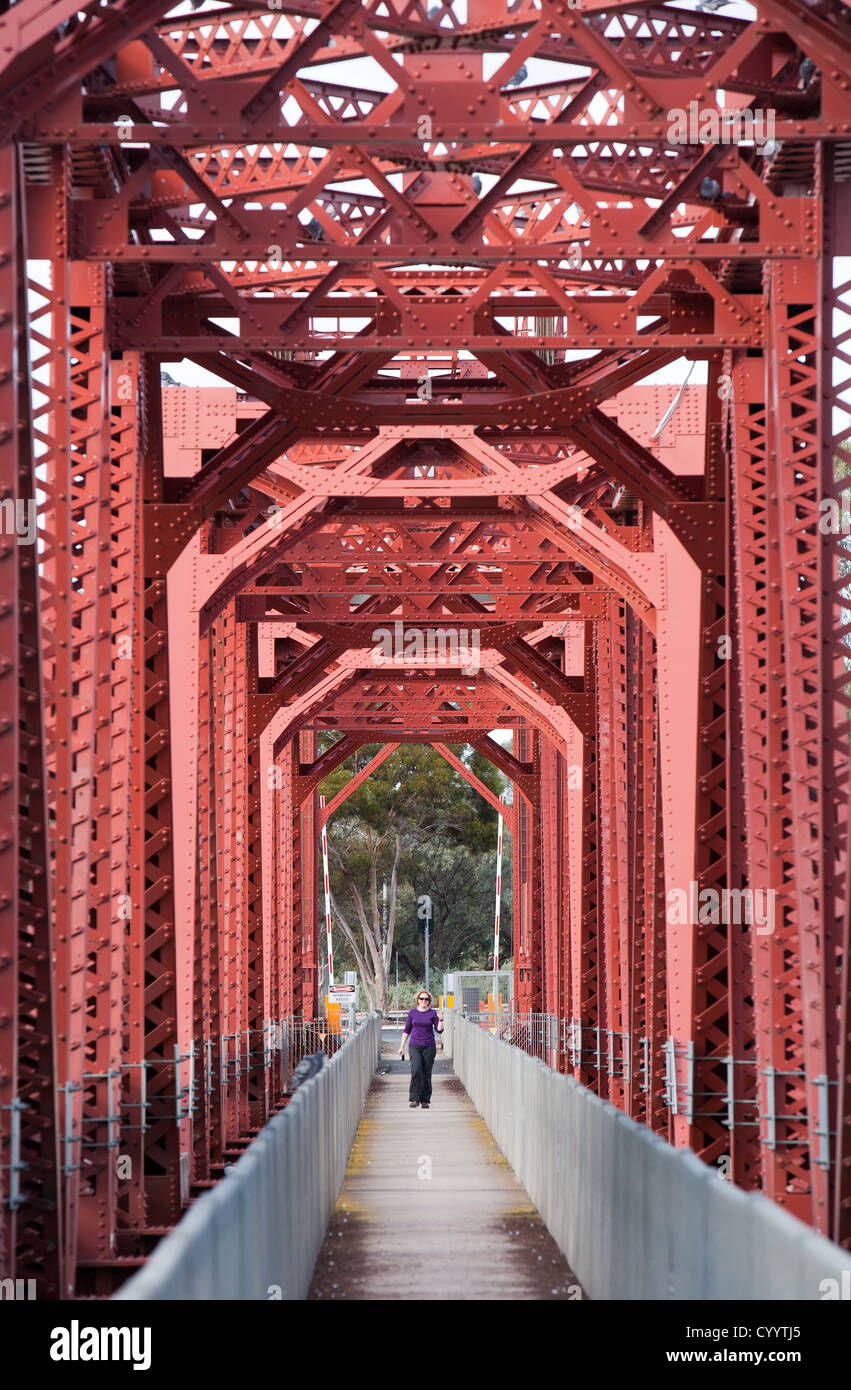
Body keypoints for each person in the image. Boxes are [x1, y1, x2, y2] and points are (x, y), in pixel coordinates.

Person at [399, 990, 443, 1109]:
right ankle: (414, 1098)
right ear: (418, 1000)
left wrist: (441, 1020)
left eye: (426, 999)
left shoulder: (433, 1013)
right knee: (416, 1070)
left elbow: (438, 1030)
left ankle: (425, 1100)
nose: (424, 1001)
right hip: (415, 1046)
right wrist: (401, 1046)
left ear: (429, 1001)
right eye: (422, 999)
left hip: (429, 1046)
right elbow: (407, 1030)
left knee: (426, 1073)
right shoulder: (412, 1013)